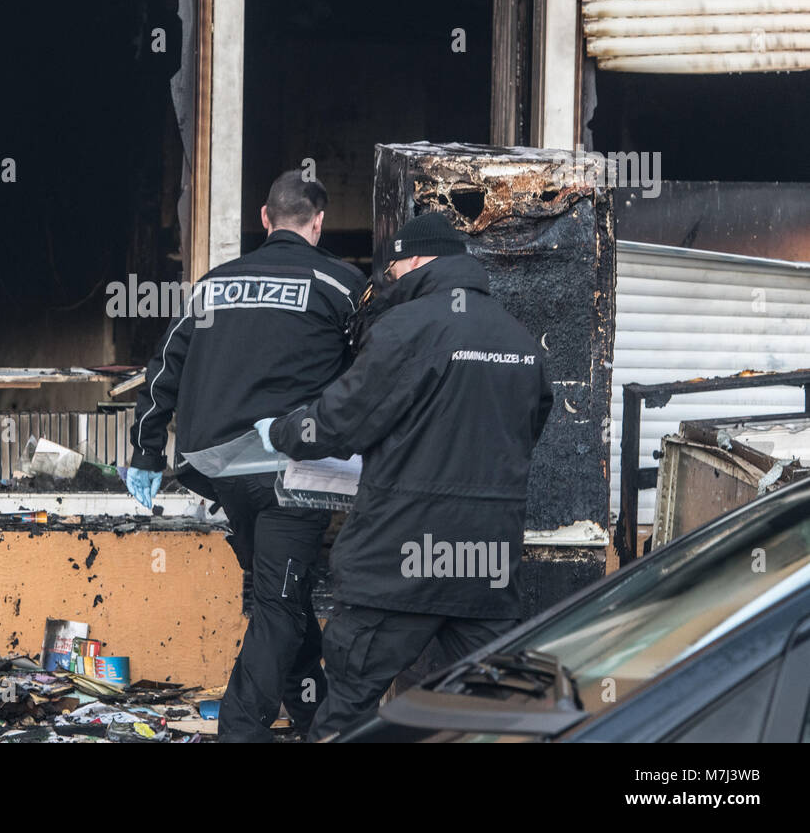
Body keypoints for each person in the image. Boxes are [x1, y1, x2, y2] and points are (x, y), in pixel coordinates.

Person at [256, 210, 552, 741]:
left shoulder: (406, 329)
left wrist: (281, 430)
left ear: (414, 260)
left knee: (347, 713)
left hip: (396, 568)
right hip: (484, 569)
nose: (388, 281)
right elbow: (526, 435)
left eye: (391, 270)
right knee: (504, 715)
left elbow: (337, 425)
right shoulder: (522, 342)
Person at [125, 169, 364, 742]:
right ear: (319, 222)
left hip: (223, 469)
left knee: (283, 594)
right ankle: (240, 731)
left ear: (264, 218)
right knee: (279, 605)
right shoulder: (342, 285)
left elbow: (162, 371)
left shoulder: (212, 285)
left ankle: (317, 719)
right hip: (296, 471)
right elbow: (372, 378)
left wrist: (147, 452)